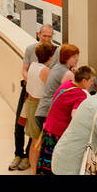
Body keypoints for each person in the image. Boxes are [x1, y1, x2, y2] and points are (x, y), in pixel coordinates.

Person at [10, 23, 56, 171]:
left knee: (34, 128)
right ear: (38, 35)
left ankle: (27, 158)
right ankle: (18, 154)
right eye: (44, 36)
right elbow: (24, 69)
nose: (47, 39)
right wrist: (32, 79)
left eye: (49, 36)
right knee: (19, 123)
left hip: (41, 96)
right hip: (28, 92)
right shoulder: (30, 49)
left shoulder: (56, 51)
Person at [19, 43, 54, 171]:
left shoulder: (33, 66)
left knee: (34, 141)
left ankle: (34, 171)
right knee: (41, 143)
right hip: (41, 108)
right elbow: (52, 91)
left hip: (31, 103)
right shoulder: (45, 71)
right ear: (50, 57)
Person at [34, 43, 78, 131]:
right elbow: (72, 96)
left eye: (77, 56)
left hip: (41, 111)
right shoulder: (67, 73)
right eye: (74, 57)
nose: (77, 59)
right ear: (66, 57)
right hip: (49, 114)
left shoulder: (56, 67)